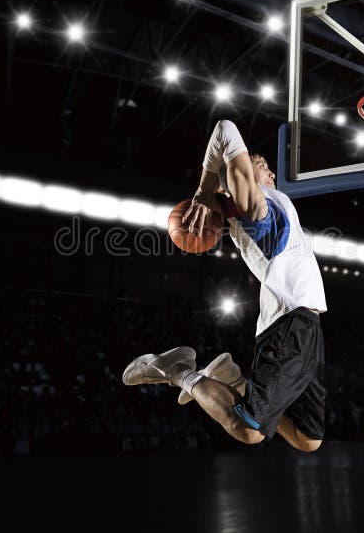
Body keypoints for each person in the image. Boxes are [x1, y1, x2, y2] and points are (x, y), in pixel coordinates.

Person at [123, 119, 327, 452]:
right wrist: (205, 191)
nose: (272, 174)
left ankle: (231, 378)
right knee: (248, 429)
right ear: (233, 180)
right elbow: (225, 129)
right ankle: (176, 370)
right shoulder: (253, 207)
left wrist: (209, 192)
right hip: (291, 324)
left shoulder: (264, 203)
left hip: (303, 322)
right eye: (263, 167)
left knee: (307, 439)